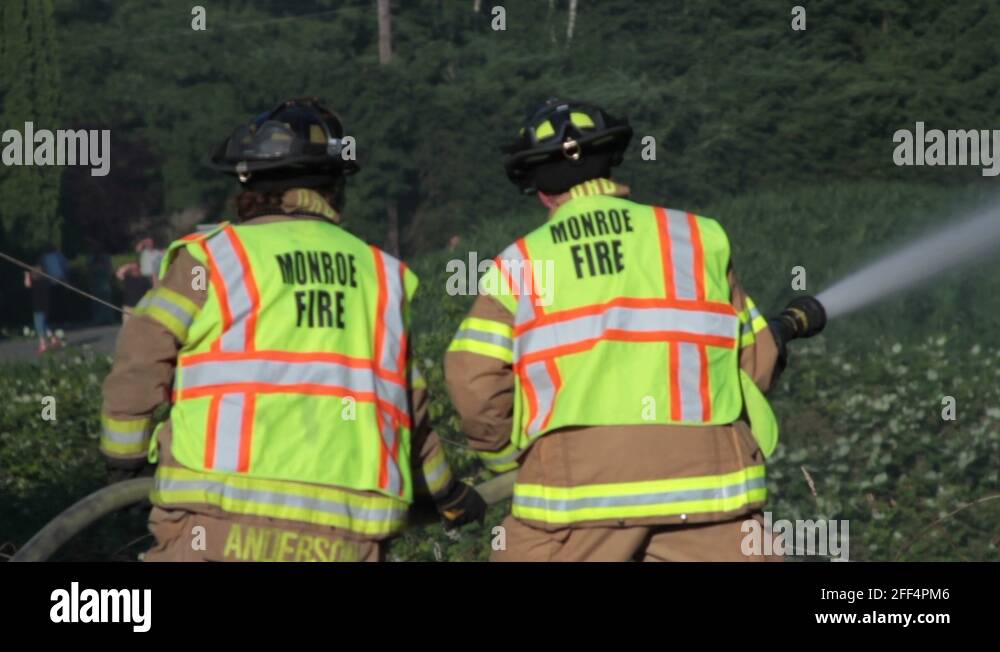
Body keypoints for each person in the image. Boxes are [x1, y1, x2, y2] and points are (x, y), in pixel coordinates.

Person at [99, 97, 485, 562]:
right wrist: (448, 496)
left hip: (217, 528)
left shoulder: (215, 259)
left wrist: (124, 461)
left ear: (247, 182)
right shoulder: (380, 276)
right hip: (344, 539)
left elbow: (141, 355)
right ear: (335, 185)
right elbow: (409, 411)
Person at [444, 98, 825, 561]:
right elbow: (756, 365)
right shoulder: (697, 238)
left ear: (540, 190)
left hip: (574, 501)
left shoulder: (518, 264)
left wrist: (511, 463)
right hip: (708, 492)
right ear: (614, 164)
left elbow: (474, 384)